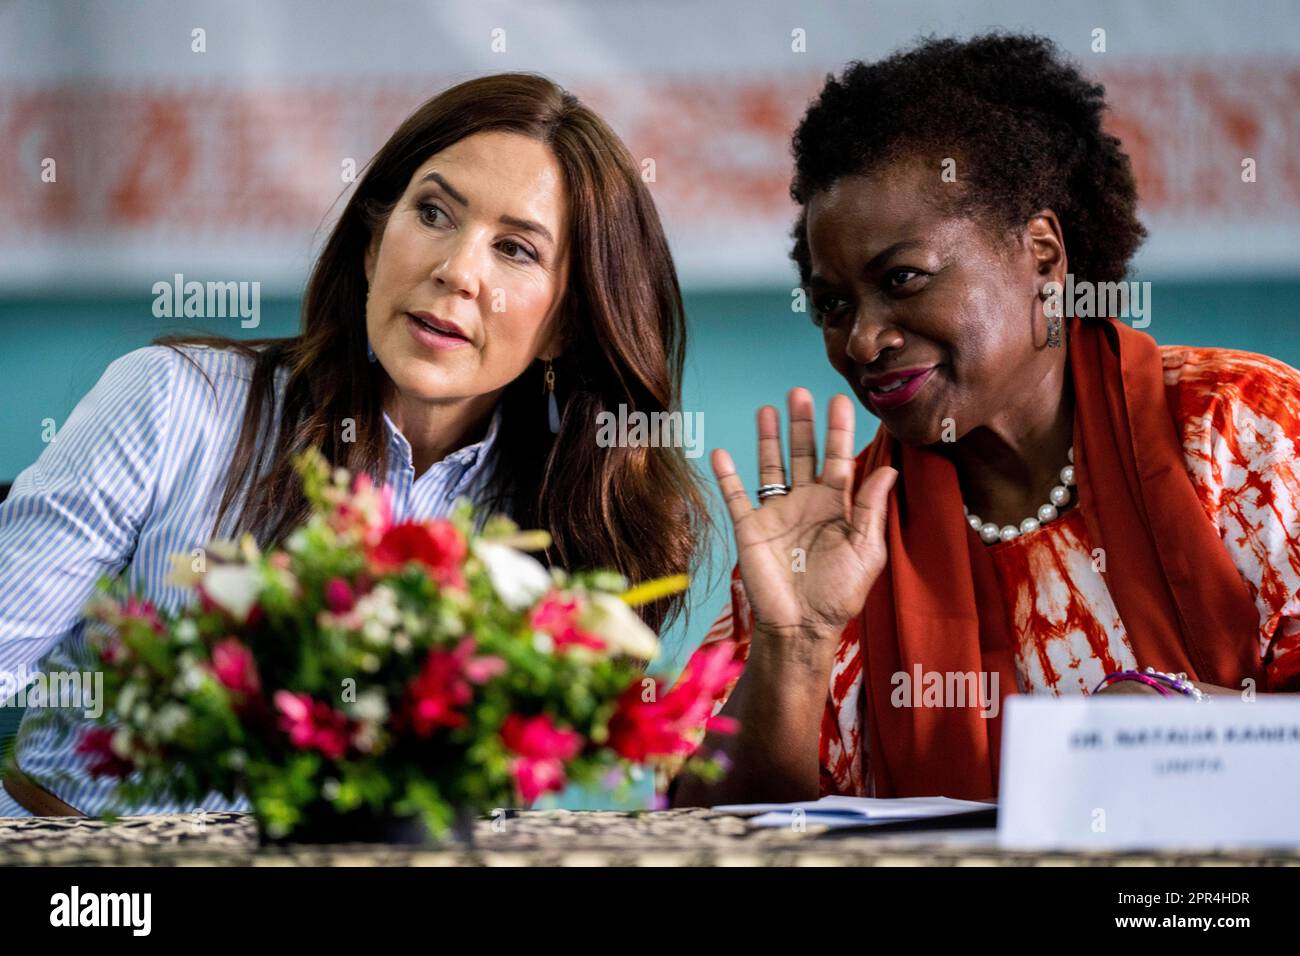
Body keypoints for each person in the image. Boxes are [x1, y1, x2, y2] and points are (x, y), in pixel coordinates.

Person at [0, 73, 710, 817]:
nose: (456, 270)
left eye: (515, 250)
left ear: (565, 324)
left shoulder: (565, 518)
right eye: (432, 212)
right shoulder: (173, 402)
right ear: (374, 246)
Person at [671, 34, 1300, 807]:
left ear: (1042, 253)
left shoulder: (1244, 428)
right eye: (834, 306)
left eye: (903, 279)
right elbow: (709, 830)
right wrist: (795, 648)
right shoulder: (840, 533)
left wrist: (1190, 727)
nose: (863, 339)